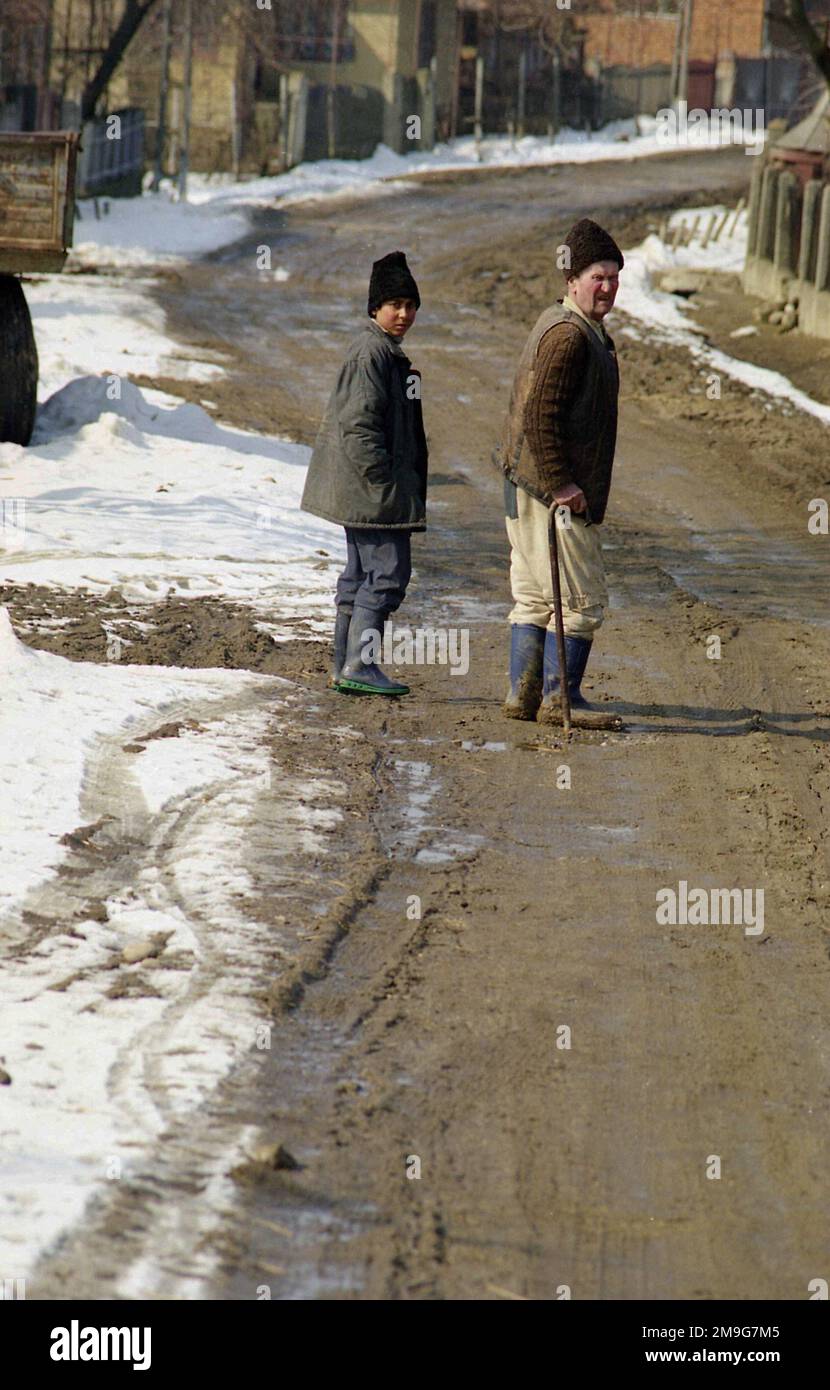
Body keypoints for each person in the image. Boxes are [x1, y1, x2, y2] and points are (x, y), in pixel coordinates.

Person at [496, 218, 623, 722]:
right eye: (598, 276)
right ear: (572, 281)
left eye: (614, 276)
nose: (608, 286)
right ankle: (560, 698)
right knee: (579, 598)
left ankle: (523, 694)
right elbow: (540, 414)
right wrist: (563, 485)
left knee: (532, 594)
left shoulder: (565, 324)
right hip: (549, 492)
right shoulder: (570, 336)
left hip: (523, 482)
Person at [301, 251, 428, 696]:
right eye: (395, 305)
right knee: (387, 575)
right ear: (375, 308)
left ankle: (344, 666)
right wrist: (384, 484)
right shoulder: (372, 352)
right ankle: (360, 665)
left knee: (359, 576)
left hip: (366, 490)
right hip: (374, 492)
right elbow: (359, 427)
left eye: (410, 306)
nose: (404, 314)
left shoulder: (381, 351)